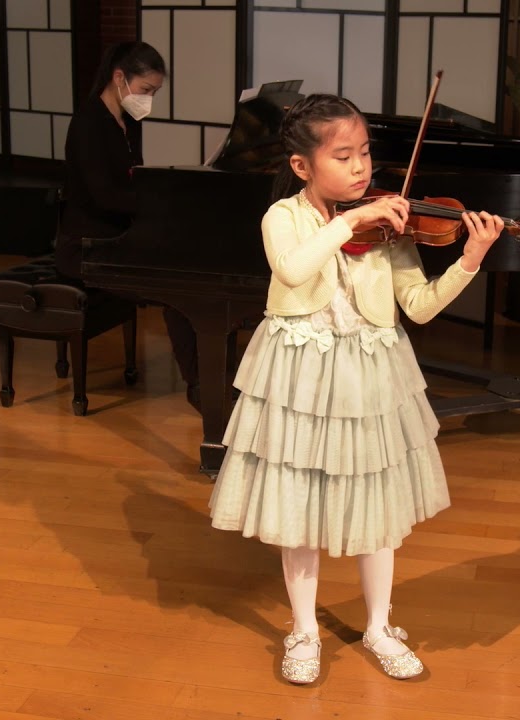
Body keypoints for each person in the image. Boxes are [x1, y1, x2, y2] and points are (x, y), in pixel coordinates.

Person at [207, 94, 504, 684]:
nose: (362, 168)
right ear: (302, 166)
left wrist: (469, 259)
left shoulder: (391, 223)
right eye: (343, 157)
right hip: (299, 375)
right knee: (298, 503)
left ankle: (377, 625)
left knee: (376, 501)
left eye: (365, 153)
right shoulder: (283, 218)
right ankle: (304, 631)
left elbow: (418, 308)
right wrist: (350, 220)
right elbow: (292, 270)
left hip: (369, 372)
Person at [55, 41, 201, 408]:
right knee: (178, 288)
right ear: (119, 77)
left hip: (118, 234)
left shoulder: (127, 121)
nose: (148, 99)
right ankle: (201, 387)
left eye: (154, 92)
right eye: (146, 90)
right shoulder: (88, 123)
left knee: (191, 268)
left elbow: (133, 181)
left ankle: (214, 375)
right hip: (89, 246)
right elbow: (106, 197)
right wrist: (157, 211)